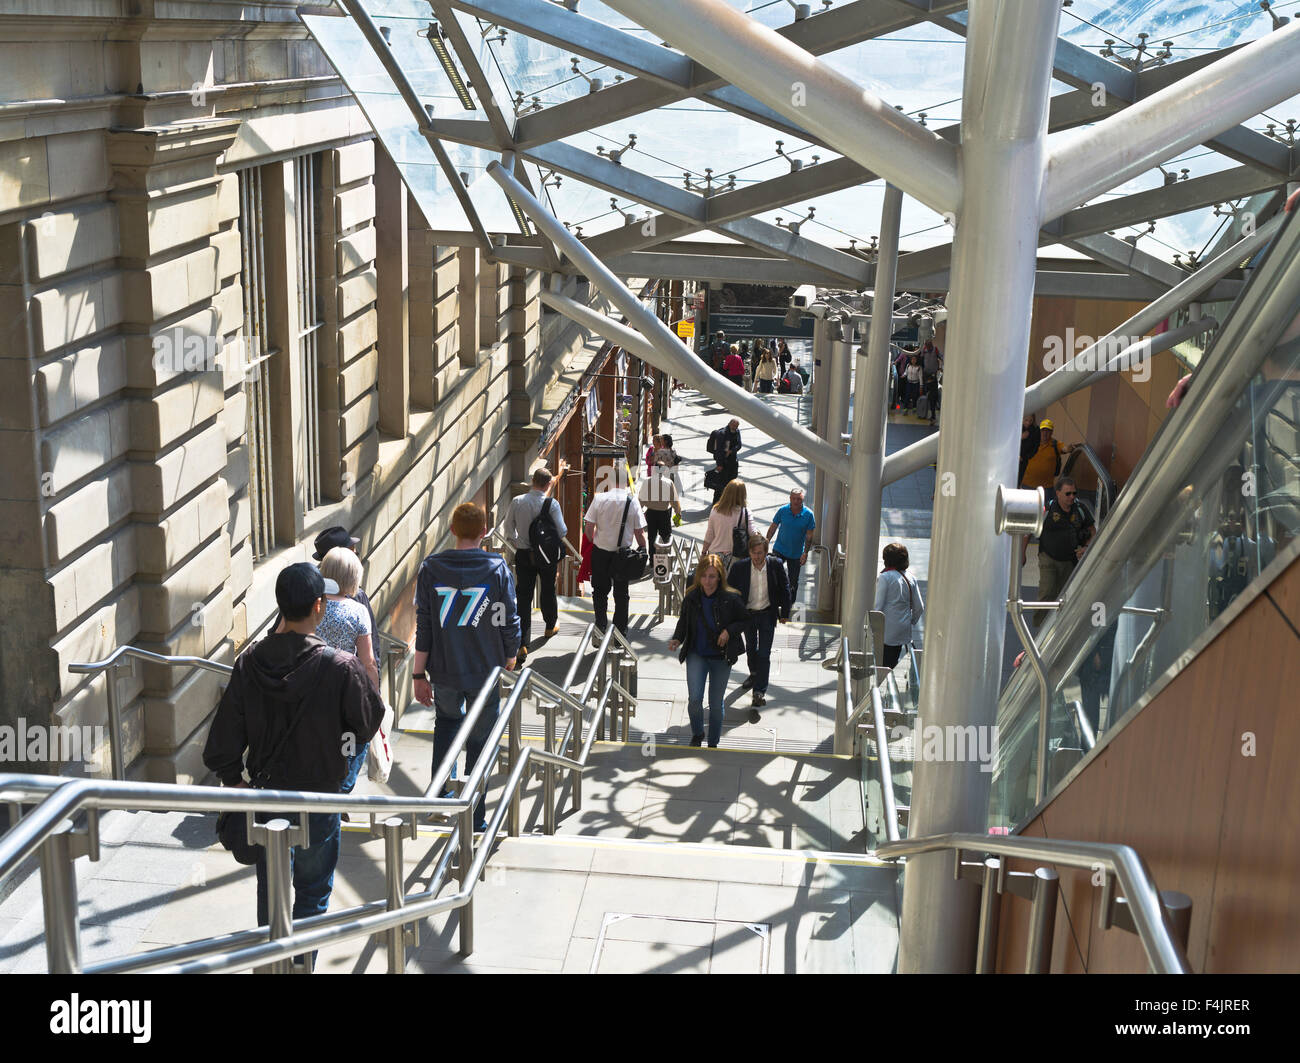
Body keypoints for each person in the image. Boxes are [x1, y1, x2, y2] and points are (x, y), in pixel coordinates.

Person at [203, 563, 384, 964]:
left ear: (281, 605)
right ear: (319, 605)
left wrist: (234, 781)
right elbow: (369, 721)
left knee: (272, 896)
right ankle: (301, 966)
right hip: (318, 802)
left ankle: (273, 967)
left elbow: (221, 744)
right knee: (313, 893)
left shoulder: (249, 664)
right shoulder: (339, 666)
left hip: (266, 801)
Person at [412, 502, 521, 831]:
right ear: (485, 531)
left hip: (443, 671)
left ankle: (440, 795)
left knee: (446, 725)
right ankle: (474, 816)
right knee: (480, 740)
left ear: (452, 530)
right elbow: (507, 619)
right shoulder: (498, 568)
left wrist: (419, 674)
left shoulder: (431, 568)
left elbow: (425, 625)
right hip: (486, 673)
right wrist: (510, 658)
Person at [316, 547, 381, 793]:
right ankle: (342, 788)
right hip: (345, 688)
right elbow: (368, 661)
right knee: (357, 739)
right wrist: (373, 694)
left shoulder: (314, 605)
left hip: (310, 685)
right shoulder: (357, 611)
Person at [668, 554, 749, 748]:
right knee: (695, 700)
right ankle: (698, 733)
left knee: (715, 704)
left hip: (721, 657)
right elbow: (684, 621)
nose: (707, 581)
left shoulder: (731, 598)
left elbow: (745, 619)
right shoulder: (692, 597)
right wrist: (677, 638)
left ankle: (713, 742)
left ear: (720, 577)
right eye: (704, 576)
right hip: (696, 654)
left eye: (712, 576)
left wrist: (729, 631)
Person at [503, 460, 570, 663]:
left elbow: (508, 529)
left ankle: (523, 643)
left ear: (532, 481)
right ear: (549, 484)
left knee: (523, 595)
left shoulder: (517, 501)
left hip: (524, 554)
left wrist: (519, 543)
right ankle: (550, 626)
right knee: (548, 588)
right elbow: (563, 530)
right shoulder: (552, 504)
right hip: (546, 555)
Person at [728, 535, 791, 718]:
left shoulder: (775, 565)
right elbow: (730, 591)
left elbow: (785, 588)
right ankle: (754, 673)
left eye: (760, 553)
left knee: (764, 653)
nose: (757, 557)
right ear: (749, 552)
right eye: (754, 553)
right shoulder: (739, 568)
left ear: (766, 552)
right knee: (750, 648)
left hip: (767, 614)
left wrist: (785, 612)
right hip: (747, 615)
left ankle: (759, 691)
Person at [583, 463, 648, 638]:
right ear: (626, 482)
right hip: (623, 556)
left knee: (600, 593)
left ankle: (600, 627)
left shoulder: (599, 499)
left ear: (609, 481)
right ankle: (620, 633)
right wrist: (643, 549)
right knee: (621, 594)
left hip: (601, 553)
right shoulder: (632, 501)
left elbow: (588, 529)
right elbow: (639, 533)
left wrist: (597, 539)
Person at [1036, 475, 1095, 615]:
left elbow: (1092, 531)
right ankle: (1040, 628)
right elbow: (1030, 531)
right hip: (1048, 557)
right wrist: (1022, 553)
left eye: (1074, 493)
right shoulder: (1048, 510)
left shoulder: (1080, 509)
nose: (1071, 496)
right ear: (1058, 493)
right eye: (1068, 493)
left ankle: (1060, 627)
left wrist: (1086, 548)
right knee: (1047, 593)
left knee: (1067, 597)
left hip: (1070, 561)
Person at [873, 543, 923, 668]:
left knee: (884, 663)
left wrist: (872, 628)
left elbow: (878, 607)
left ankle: (882, 684)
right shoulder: (911, 577)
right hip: (903, 629)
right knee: (893, 659)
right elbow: (920, 607)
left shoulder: (885, 577)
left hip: (887, 630)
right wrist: (911, 620)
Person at [767, 488, 816, 603]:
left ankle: (789, 603)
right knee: (774, 575)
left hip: (796, 553)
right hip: (779, 549)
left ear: (802, 500)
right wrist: (766, 542)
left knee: (793, 581)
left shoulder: (809, 515)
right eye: (793, 498)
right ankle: (773, 600)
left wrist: (805, 553)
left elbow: (809, 536)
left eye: (799, 499)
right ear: (790, 498)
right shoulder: (782, 510)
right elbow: (773, 527)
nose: (796, 501)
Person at [704, 478, 758, 570]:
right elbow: (753, 533)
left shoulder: (715, 510)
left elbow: (709, 534)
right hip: (736, 556)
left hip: (715, 555)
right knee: (733, 583)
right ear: (743, 494)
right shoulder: (745, 512)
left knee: (716, 582)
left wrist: (703, 552)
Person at [1020, 418, 1077, 492]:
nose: (1045, 433)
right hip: (1027, 485)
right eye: (1043, 430)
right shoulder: (1031, 441)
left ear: (1052, 432)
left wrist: (1069, 448)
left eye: (1048, 430)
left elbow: (1064, 449)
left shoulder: (1055, 444)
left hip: (1046, 488)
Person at [639, 455, 681, 549]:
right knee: (665, 537)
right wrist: (678, 513)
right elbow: (674, 501)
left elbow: (641, 499)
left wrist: (639, 511)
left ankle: (652, 558)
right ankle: (664, 558)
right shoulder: (668, 482)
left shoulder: (646, 481)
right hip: (664, 514)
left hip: (651, 513)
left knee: (651, 537)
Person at [710, 418, 742, 503]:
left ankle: (728, 501)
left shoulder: (737, 432)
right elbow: (718, 451)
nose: (735, 427)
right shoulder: (722, 434)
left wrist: (731, 451)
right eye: (734, 425)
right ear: (729, 424)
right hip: (723, 463)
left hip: (733, 462)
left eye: (736, 426)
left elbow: (739, 444)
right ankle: (716, 502)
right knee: (721, 484)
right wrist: (719, 464)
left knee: (732, 482)